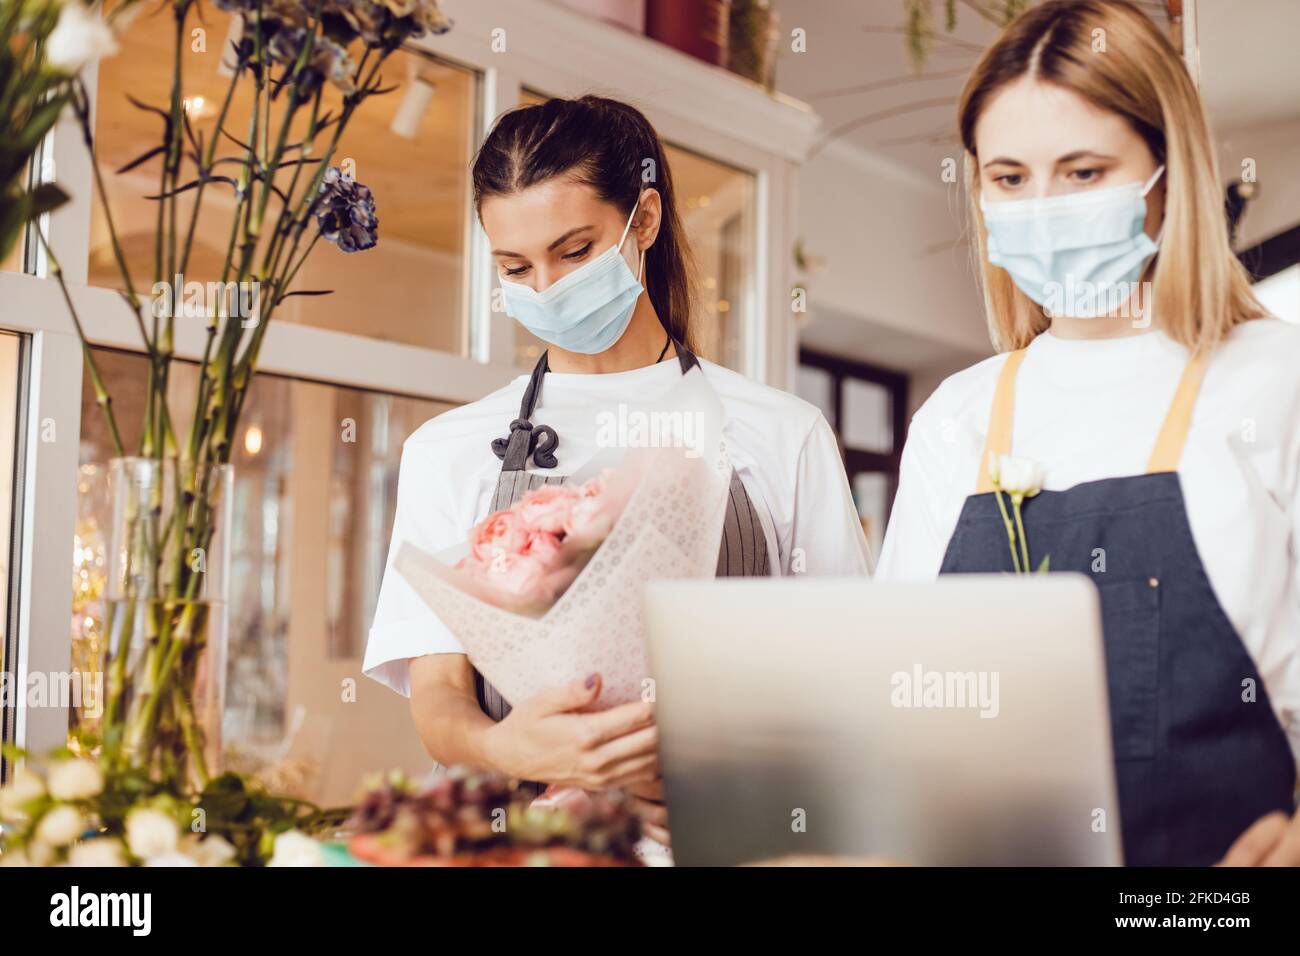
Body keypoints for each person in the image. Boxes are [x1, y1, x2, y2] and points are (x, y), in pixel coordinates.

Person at [364, 95, 871, 843]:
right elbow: (439, 696)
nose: (545, 288)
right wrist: (506, 745)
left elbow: (843, 675)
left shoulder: (780, 432)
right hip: (524, 843)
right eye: (515, 266)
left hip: (722, 840)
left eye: (573, 253)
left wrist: (727, 778)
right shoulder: (449, 447)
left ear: (645, 220)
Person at [877, 0, 1300, 866]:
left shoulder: (1274, 380)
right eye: (1009, 177)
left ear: (1168, 172)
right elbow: (899, 703)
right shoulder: (957, 417)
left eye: (1082, 172)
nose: (1042, 207)